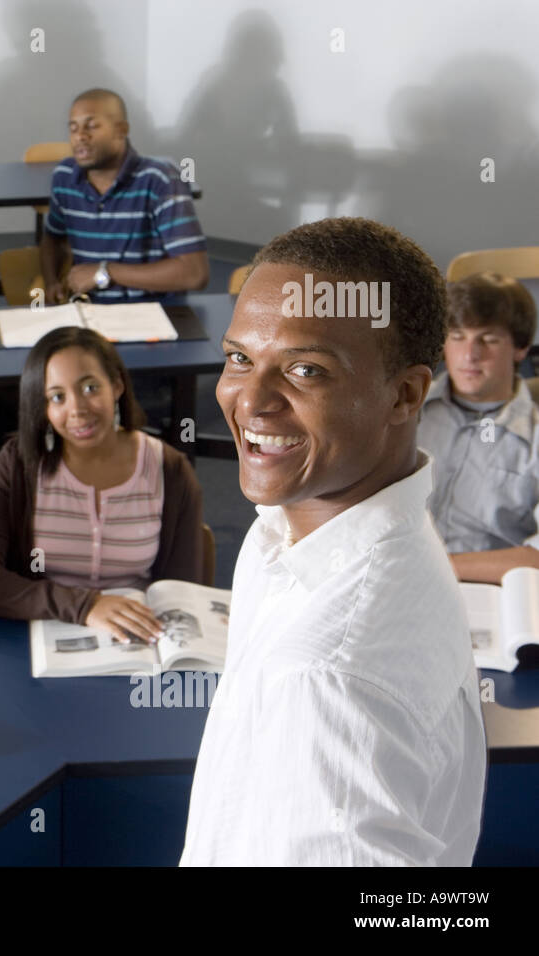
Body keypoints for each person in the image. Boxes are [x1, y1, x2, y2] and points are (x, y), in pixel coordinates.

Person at [181, 217, 486, 865]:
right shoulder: (297, 526)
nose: (250, 402)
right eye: (239, 359)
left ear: (404, 395)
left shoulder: (328, 677)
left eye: (305, 370)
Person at [0, 327, 204, 635]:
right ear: (43, 408)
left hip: (138, 638)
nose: (77, 409)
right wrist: (84, 606)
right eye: (57, 397)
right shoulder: (18, 465)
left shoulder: (171, 471)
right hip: (43, 634)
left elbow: (181, 593)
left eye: (90, 388)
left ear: (116, 385)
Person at [419, 273, 539, 584]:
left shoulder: (535, 436)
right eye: (457, 336)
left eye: (488, 339)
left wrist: (428, 568)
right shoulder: (403, 411)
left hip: (489, 592)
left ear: (521, 348)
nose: (470, 354)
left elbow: (536, 558)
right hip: (386, 582)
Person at [40, 89, 209, 304]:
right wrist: (51, 281)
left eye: (92, 126)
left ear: (121, 130)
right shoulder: (64, 177)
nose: (80, 135)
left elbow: (195, 273)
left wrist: (104, 272)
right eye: (73, 128)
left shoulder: (161, 180)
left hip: (153, 313)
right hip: (87, 310)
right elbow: (53, 238)